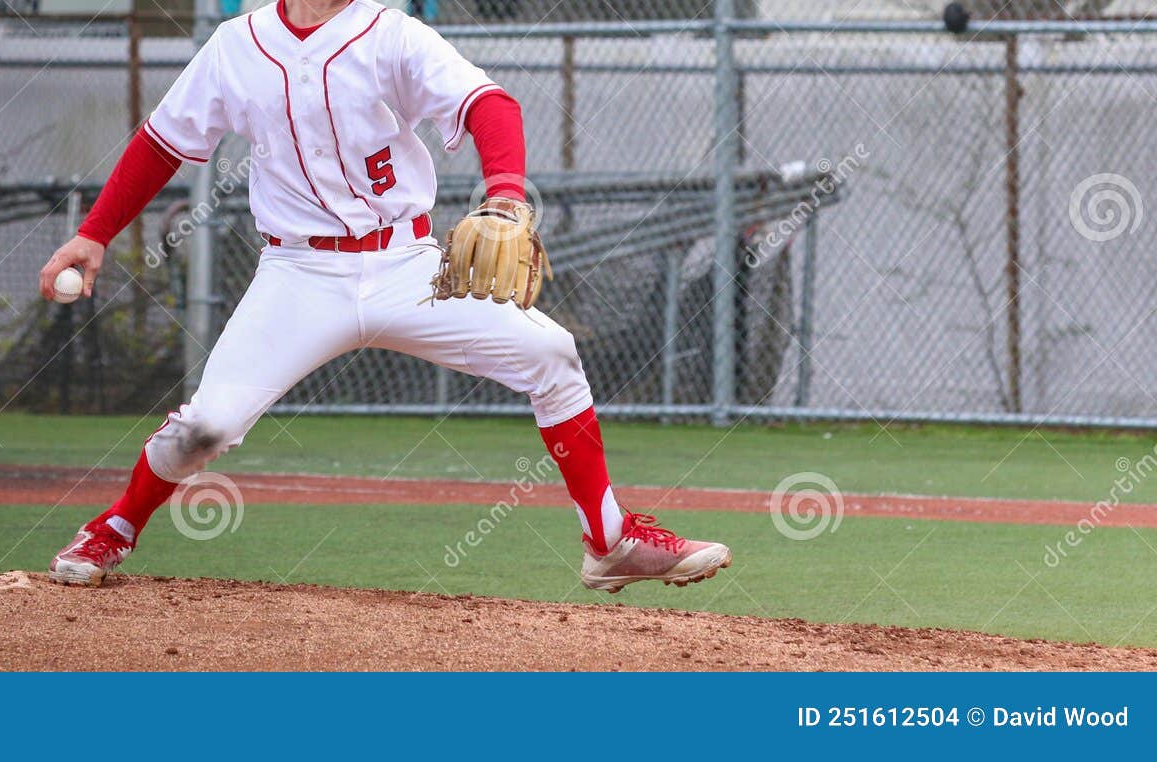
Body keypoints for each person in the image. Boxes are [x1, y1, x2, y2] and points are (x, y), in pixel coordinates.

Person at [38, 0, 730, 593]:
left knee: (551, 352)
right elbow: (164, 142)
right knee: (204, 429)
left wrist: (506, 194)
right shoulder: (235, 46)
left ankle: (609, 543)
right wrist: (94, 234)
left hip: (408, 265)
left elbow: (489, 104)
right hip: (297, 276)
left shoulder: (390, 33)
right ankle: (115, 525)